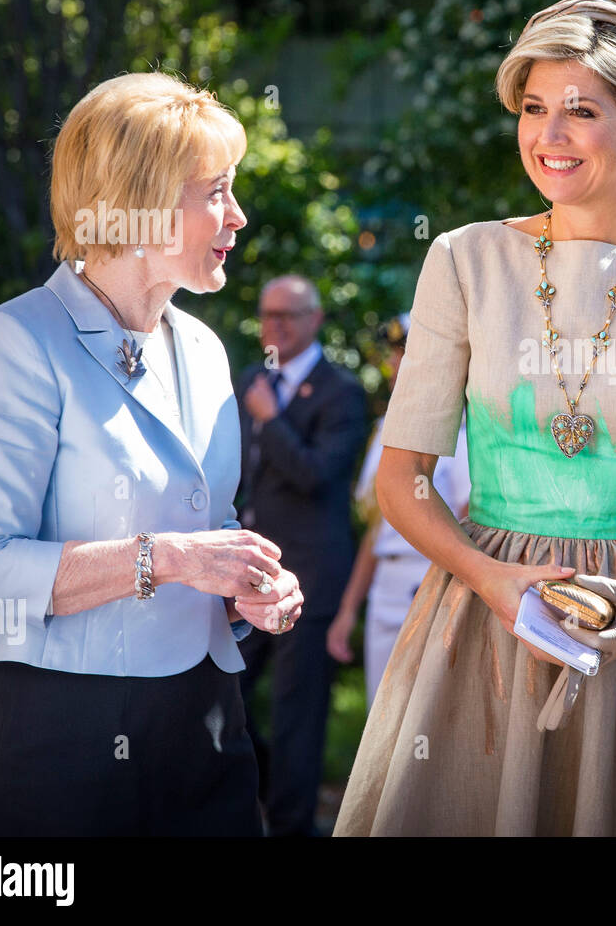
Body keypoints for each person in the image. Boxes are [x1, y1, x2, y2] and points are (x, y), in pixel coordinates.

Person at [334, 0, 616, 836]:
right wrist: (493, 581)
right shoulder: (462, 259)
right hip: (479, 627)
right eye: (534, 109)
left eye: (582, 110)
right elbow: (402, 480)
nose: (549, 135)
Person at [0, 71, 303, 837]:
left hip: (208, 727)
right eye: (216, 192)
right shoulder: (12, 343)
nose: (237, 216)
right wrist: (167, 558)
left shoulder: (204, 349)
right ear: (138, 201)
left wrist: (248, 591)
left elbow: (210, 533)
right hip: (64, 742)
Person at [235, 274, 367, 836]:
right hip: (246, 575)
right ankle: (259, 794)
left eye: (288, 315)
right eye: (267, 314)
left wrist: (272, 419)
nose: (275, 325)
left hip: (312, 575)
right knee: (225, 697)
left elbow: (317, 475)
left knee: (299, 716)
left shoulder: (342, 390)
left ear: (315, 319)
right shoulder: (250, 381)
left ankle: (292, 826)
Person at [326, 314, 470, 707]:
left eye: (406, 353)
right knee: (380, 710)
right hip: (386, 583)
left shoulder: (460, 427)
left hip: (432, 576)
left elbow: (467, 521)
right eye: (394, 353)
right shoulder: (387, 430)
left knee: (425, 714)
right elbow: (378, 530)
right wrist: (348, 608)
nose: (395, 363)